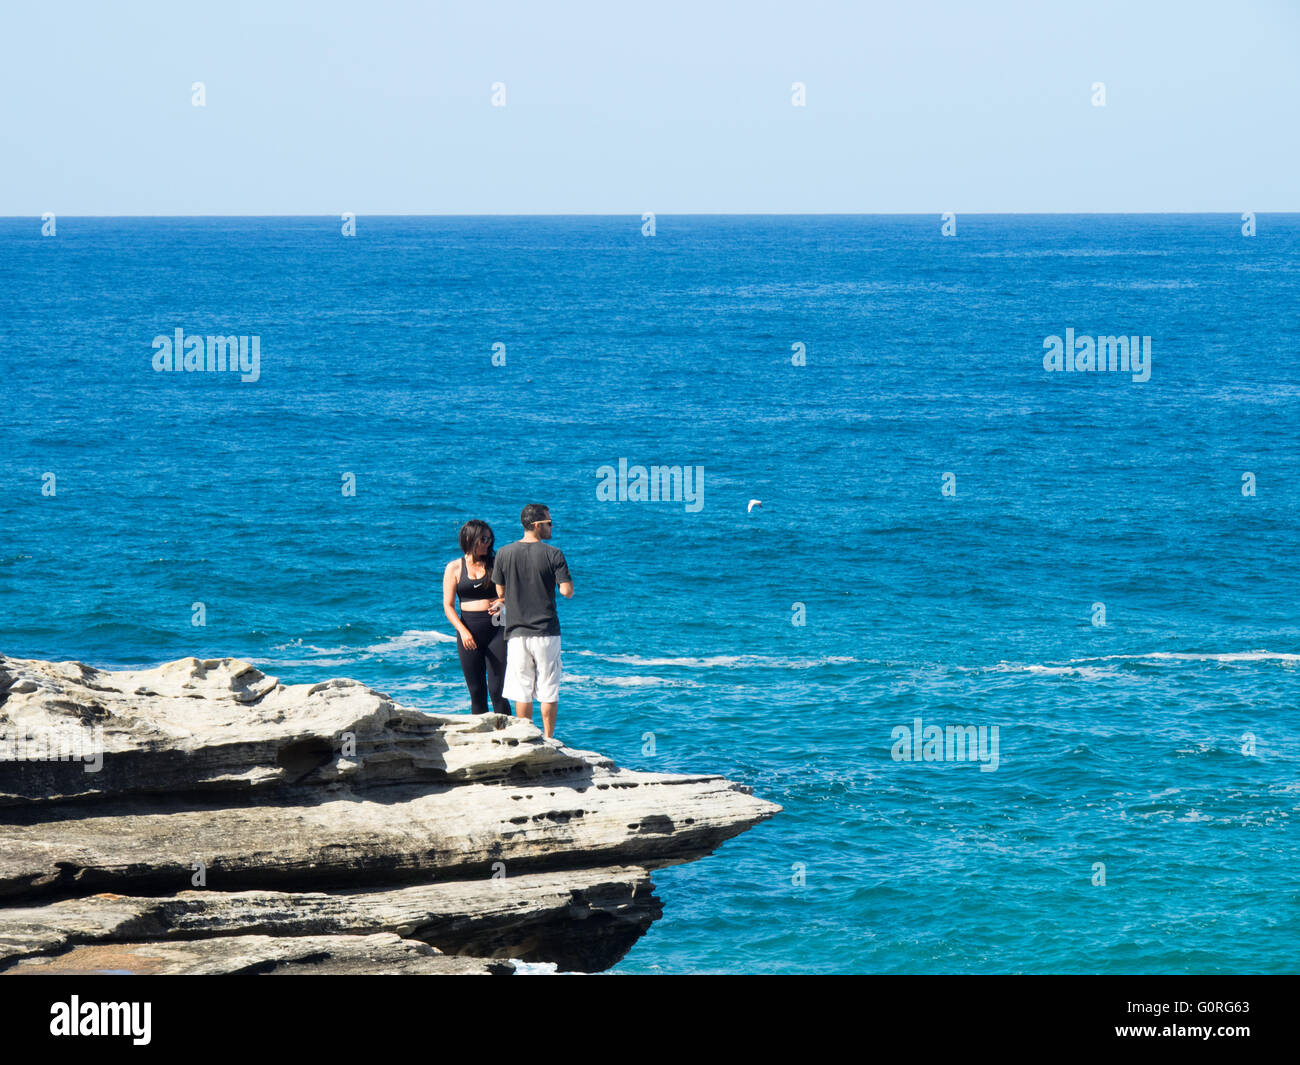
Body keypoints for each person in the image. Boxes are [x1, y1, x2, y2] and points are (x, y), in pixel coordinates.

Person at [492, 503, 573, 739]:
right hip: (546, 631)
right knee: (548, 689)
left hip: (516, 632)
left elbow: (500, 592)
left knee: (522, 690)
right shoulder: (553, 554)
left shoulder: (504, 553)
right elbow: (567, 591)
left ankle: (525, 738)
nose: (551, 527)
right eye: (549, 523)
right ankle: (548, 738)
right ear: (537, 525)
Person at [443, 519, 510, 715]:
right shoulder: (454, 568)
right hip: (469, 631)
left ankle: (509, 737)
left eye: (490, 539)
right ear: (468, 538)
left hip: (497, 628)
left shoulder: (496, 563)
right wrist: (463, 632)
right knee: (476, 691)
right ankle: (482, 738)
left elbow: (511, 593)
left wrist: (503, 601)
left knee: (498, 691)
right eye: (483, 539)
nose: (487, 543)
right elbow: (448, 606)